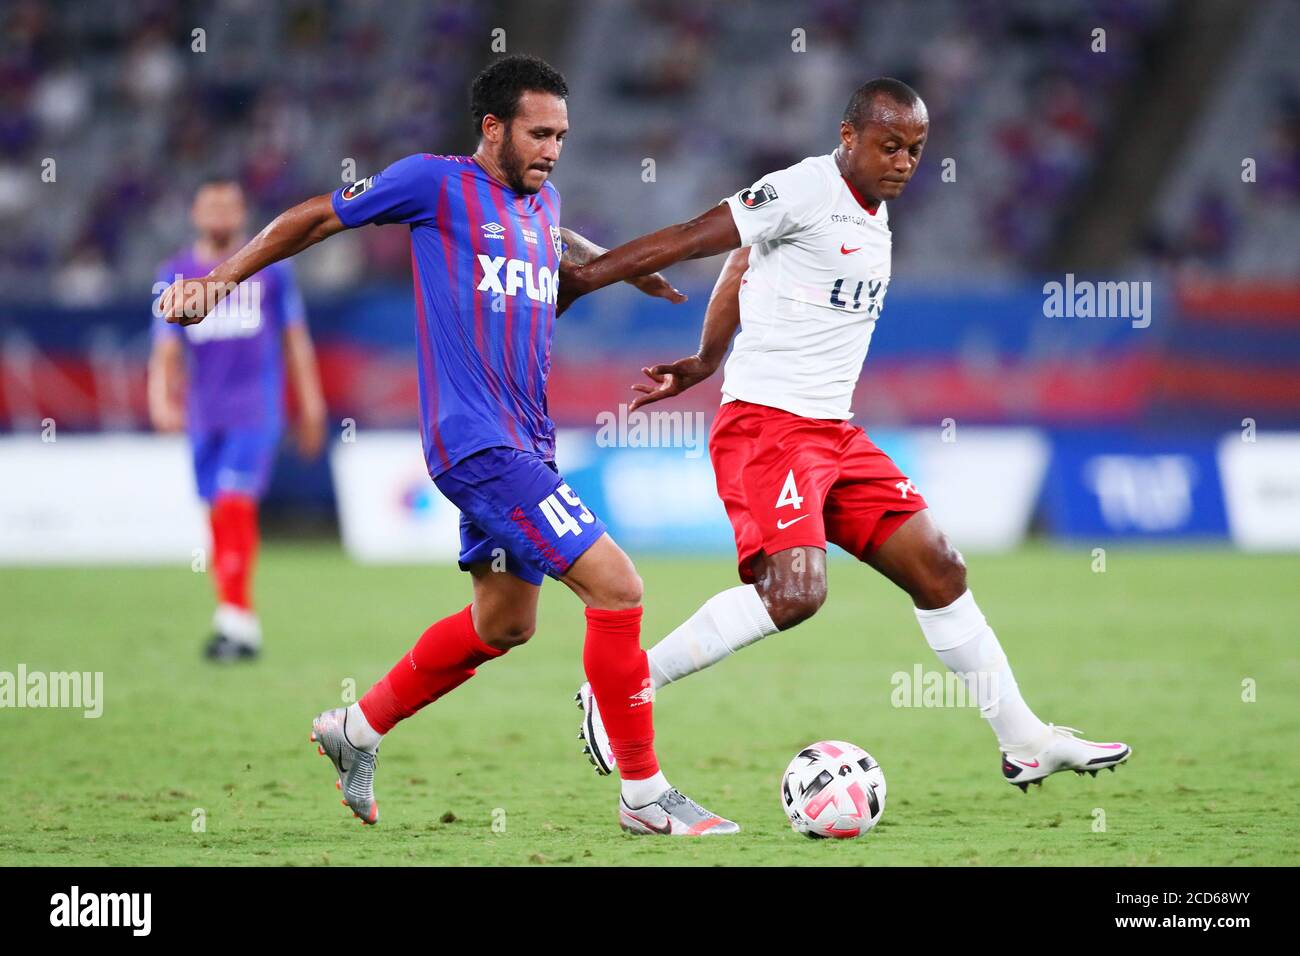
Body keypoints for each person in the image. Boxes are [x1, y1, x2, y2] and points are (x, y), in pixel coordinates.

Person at [156, 55, 737, 835]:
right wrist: (218, 283)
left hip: (526, 443)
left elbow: (550, 236)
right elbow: (317, 217)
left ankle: (355, 730)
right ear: (492, 128)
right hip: (476, 445)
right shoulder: (432, 184)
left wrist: (610, 268)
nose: (553, 150)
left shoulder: (542, 199)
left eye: (562, 136)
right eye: (539, 133)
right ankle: (644, 795)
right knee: (619, 587)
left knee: (504, 623)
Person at [564, 78, 1131, 793]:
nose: (903, 161)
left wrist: (708, 358)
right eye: (889, 144)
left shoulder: (872, 214)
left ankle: (1025, 742)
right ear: (848, 136)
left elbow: (746, 264)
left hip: (834, 434)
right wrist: (586, 279)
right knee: (796, 592)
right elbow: (695, 238)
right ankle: (622, 690)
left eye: (916, 150)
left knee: (941, 568)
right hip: (770, 429)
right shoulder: (803, 189)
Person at [149, 179, 326, 662]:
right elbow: (164, 348)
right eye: (212, 204)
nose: (221, 213)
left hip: (255, 410)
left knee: (233, 503)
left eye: (230, 204)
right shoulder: (175, 274)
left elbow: (295, 342)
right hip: (203, 416)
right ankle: (233, 618)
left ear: (243, 211)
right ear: (195, 211)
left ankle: (238, 621)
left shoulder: (269, 272)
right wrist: (161, 398)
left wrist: (309, 405)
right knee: (215, 514)